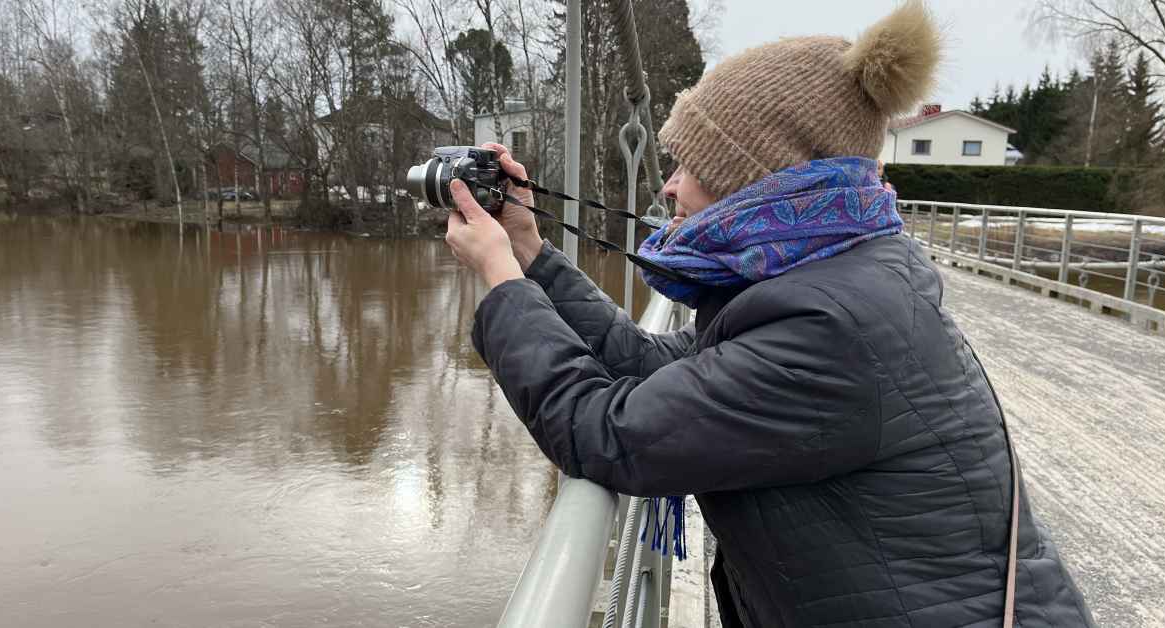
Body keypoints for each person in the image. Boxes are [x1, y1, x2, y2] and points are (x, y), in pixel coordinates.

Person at [443, 2, 1094, 626]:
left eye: (691, 164)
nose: (668, 185)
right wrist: (529, 250)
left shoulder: (832, 329)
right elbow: (645, 366)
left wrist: (500, 279)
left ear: (759, 181)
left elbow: (606, 436)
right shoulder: (829, 278)